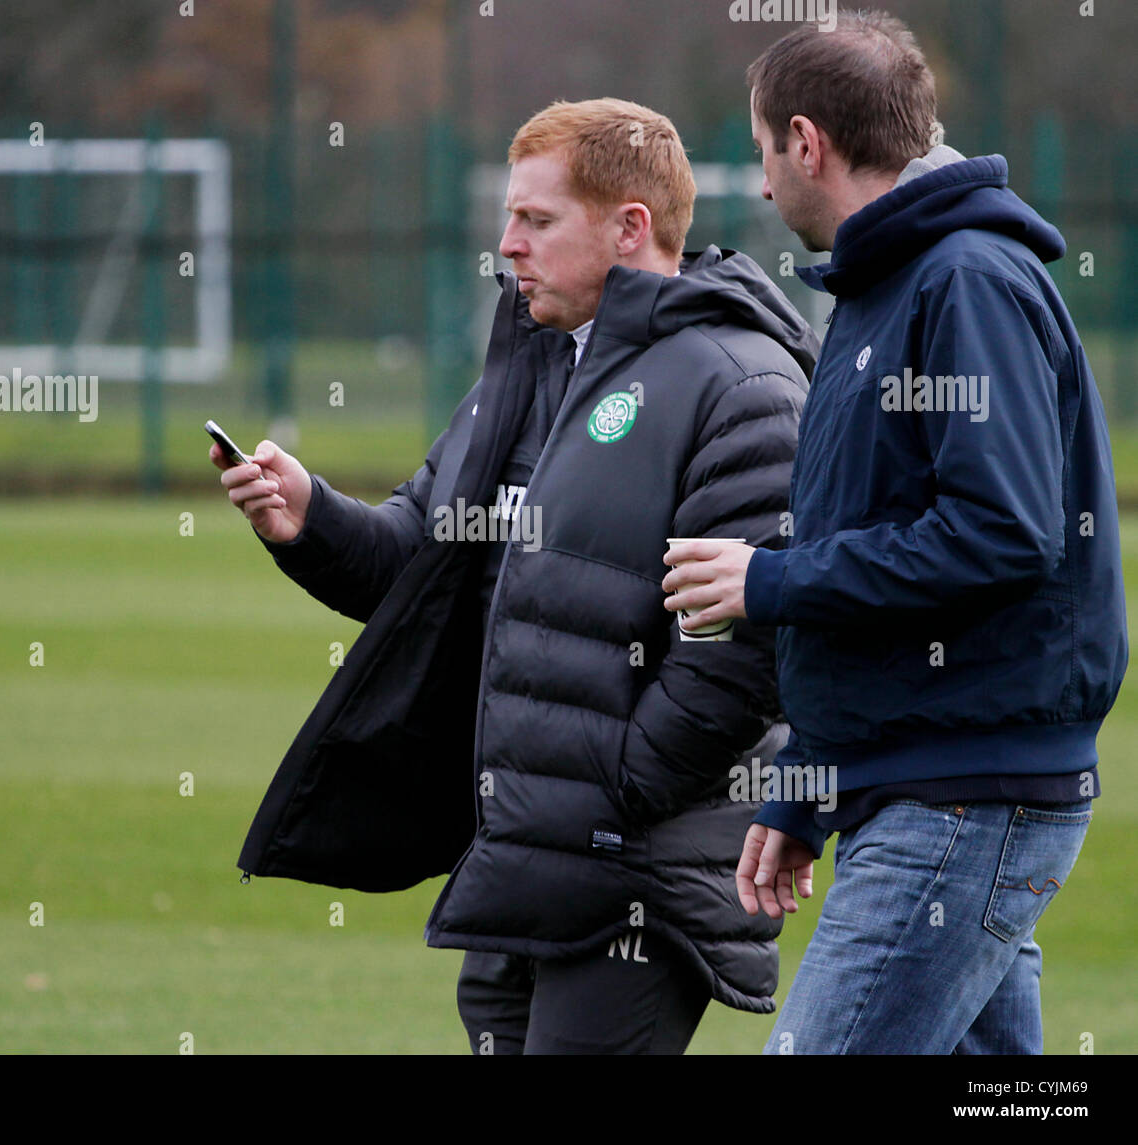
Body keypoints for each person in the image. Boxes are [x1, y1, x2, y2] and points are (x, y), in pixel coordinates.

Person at [214, 97, 816, 1054]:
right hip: (524, 864)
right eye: (509, 218)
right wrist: (311, 520)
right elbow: (425, 566)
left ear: (631, 226)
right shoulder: (532, 365)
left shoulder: (740, 384)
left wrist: (616, 787)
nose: (507, 245)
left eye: (537, 221)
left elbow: (745, 646)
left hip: (635, 883)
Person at [663, 11, 1128, 1053]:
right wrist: (808, 780)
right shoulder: (881, 288)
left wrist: (766, 580)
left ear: (806, 140)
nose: (763, 180)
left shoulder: (964, 280)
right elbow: (875, 542)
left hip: (966, 794)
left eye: (761, 151)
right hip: (923, 780)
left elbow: (1000, 533)